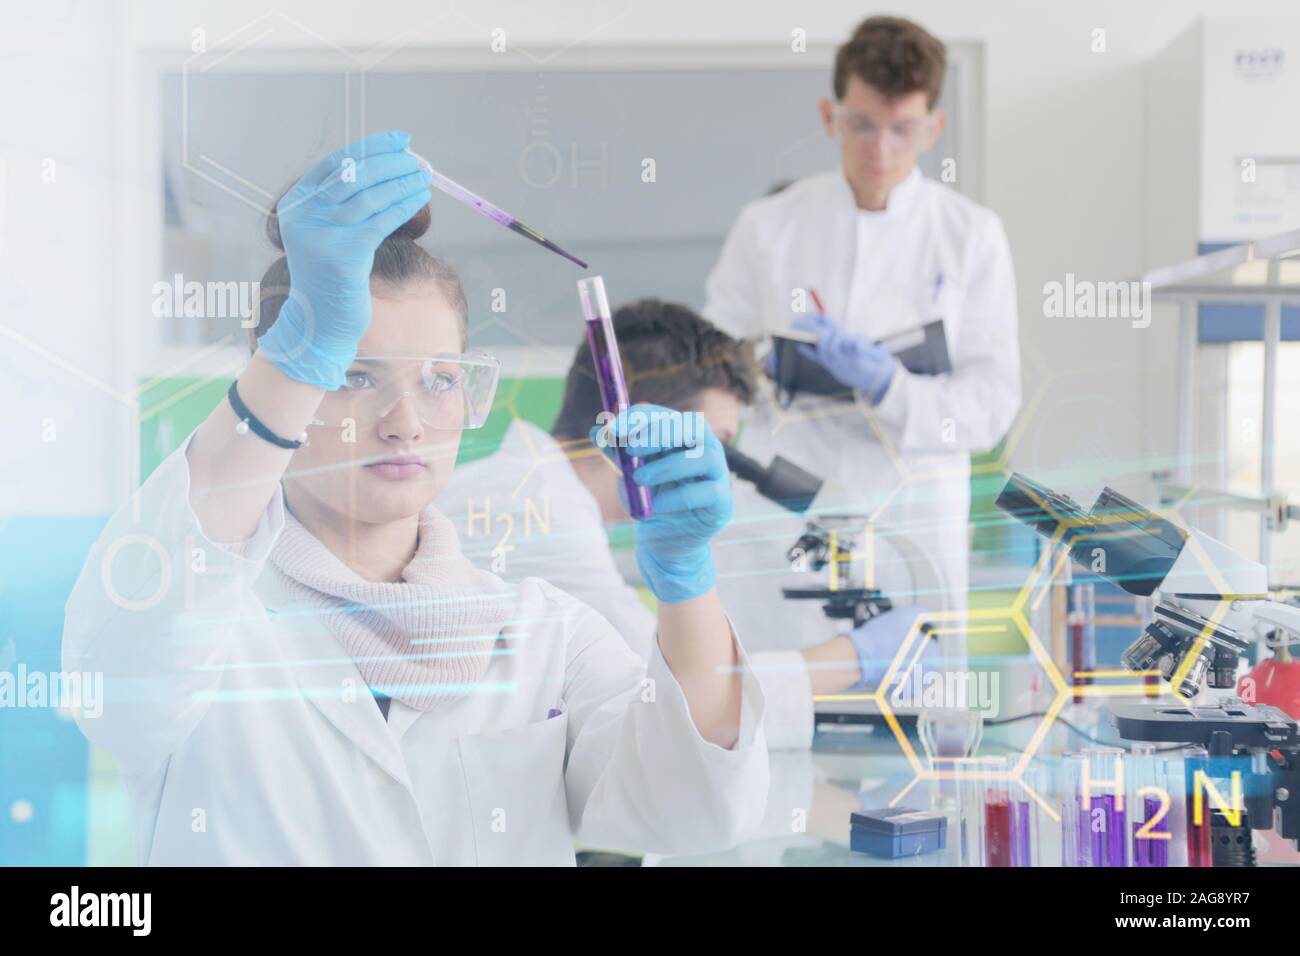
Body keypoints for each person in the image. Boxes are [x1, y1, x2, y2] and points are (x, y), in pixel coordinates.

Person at [62, 132, 768, 866]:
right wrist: (298, 354)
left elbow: (695, 813)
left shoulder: (540, 631)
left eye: (438, 378)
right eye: (356, 376)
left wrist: (690, 586)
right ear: (290, 382)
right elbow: (118, 679)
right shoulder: (208, 616)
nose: (405, 424)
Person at [439, 298, 931, 750]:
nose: (720, 473)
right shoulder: (541, 514)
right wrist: (856, 657)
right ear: (648, 424)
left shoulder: (532, 483)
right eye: (712, 443)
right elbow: (678, 695)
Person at [704, 16, 1021, 627]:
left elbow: (990, 407)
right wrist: (757, 363)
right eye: (862, 125)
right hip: (785, 507)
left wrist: (891, 388)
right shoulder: (768, 226)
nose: (881, 150)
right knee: (783, 696)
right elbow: (712, 368)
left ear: (934, 127)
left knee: (912, 693)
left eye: (903, 129)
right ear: (830, 116)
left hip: (913, 512)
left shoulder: (972, 237)